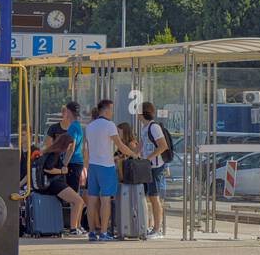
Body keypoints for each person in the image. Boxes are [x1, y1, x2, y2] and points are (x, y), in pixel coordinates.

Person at [83, 98, 142, 242]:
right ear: (106, 110)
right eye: (112, 109)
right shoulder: (109, 125)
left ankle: (92, 232)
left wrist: (86, 167)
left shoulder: (90, 126)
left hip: (93, 166)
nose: (112, 112)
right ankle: (103, 232)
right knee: (105, 200)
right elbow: (120, 145)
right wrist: (134, 154)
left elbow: (86, 149)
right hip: (106, 166)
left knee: (92, 200)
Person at [38, 132, 86, 235]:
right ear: (65, 143)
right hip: (55, 183)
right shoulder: (55, 153)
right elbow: (48, 169)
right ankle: (74, 229)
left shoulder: (52, 151)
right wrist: (61, 171)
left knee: (77, 201)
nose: (70, 147)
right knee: (78, 201)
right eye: (69, 144)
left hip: (55, 183)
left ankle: (76, 227)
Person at [140, 102, 170, 238]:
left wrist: (148, 158)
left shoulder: (154, 127)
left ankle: (157, 229)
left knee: (154, 197)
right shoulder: (144, 128)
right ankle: (152, 227)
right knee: (149, 197)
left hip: (156, 166)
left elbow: (163, 146)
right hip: (148, 166)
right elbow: (139, 147)